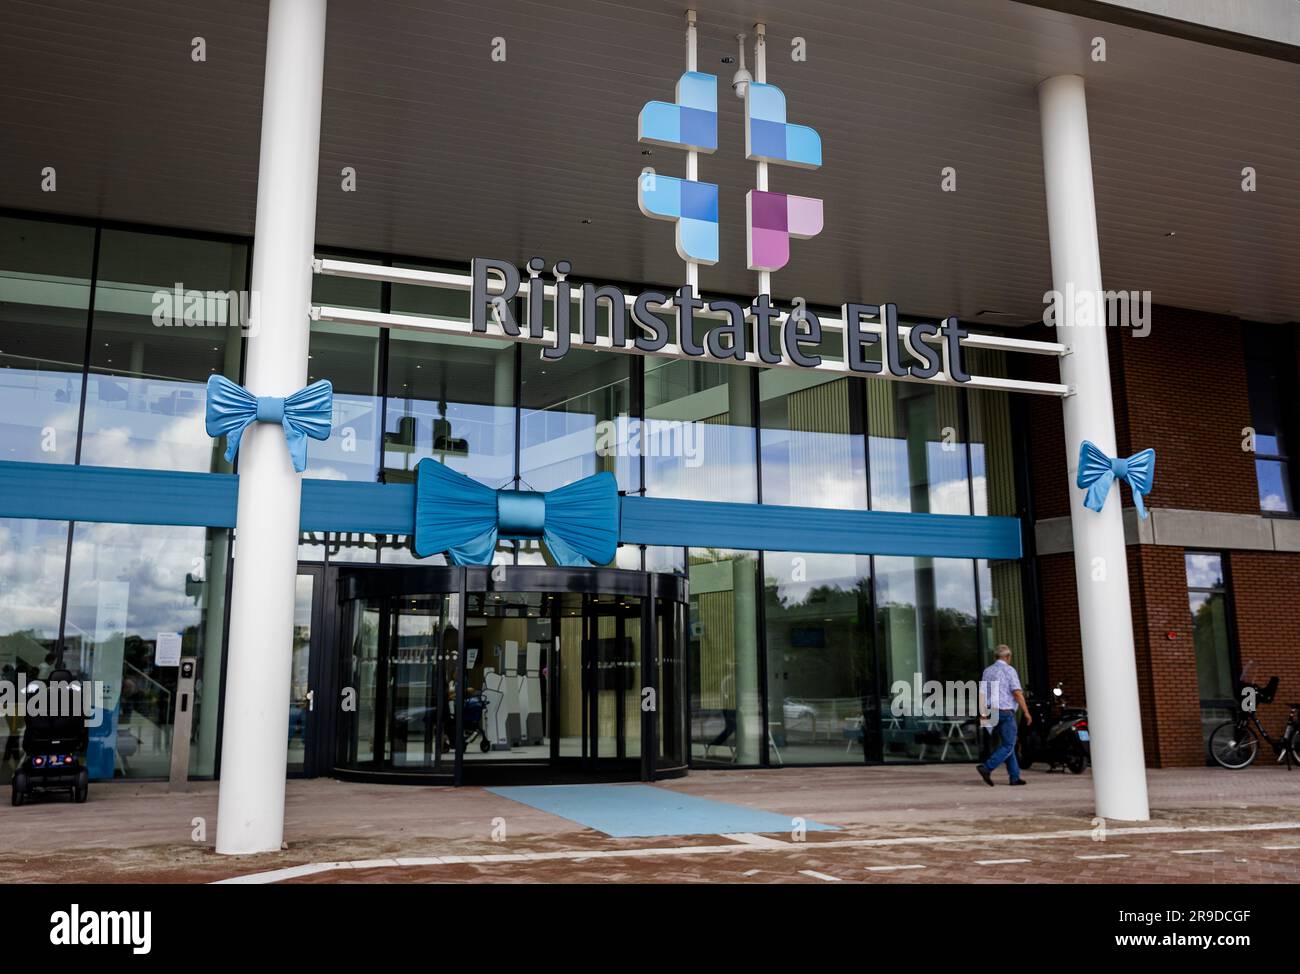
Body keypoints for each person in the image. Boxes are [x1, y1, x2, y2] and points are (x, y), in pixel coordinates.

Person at [977, 644, 1031, 786]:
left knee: (1008, 744)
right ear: (1008, 657)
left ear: (995, 657)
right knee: (1009, 744)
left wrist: (982, 712)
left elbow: (982, 692)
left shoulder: (987, 671)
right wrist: (1026, 712)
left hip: (990, 711)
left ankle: (1014, 777)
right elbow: (1017, 692)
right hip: (1005, 711)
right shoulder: (1009, 670)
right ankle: (987, 767)